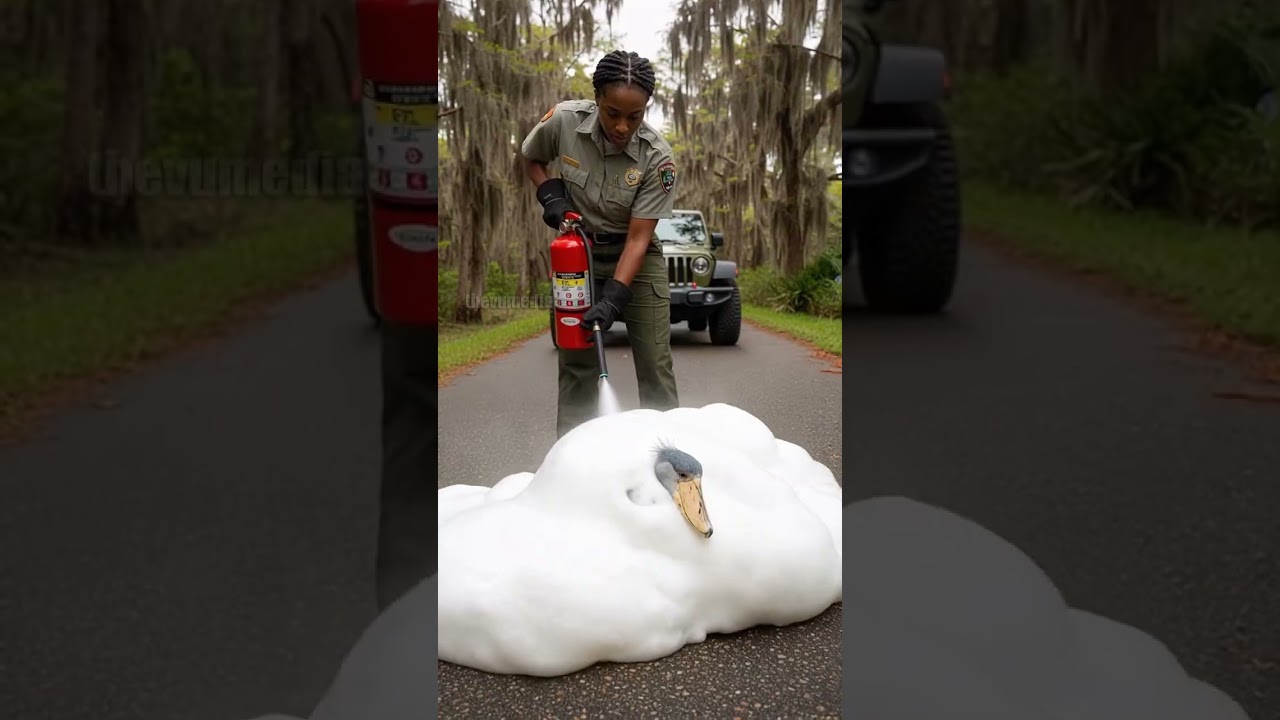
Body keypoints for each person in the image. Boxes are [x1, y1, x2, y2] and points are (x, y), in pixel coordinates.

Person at [520, 50, 681, 438]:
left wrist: (613, 298)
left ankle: (673, 467)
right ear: (596, 99)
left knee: (655, 364)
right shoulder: (563, 121)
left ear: (646, 109)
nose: (623, 126)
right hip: (579, 258)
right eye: (613, 113)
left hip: (636, 262)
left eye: (635, 116)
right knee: (576, 364)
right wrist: (551, 197)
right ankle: (571, 463)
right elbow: (531, 158)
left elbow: (639, 239)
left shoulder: (658, 158)